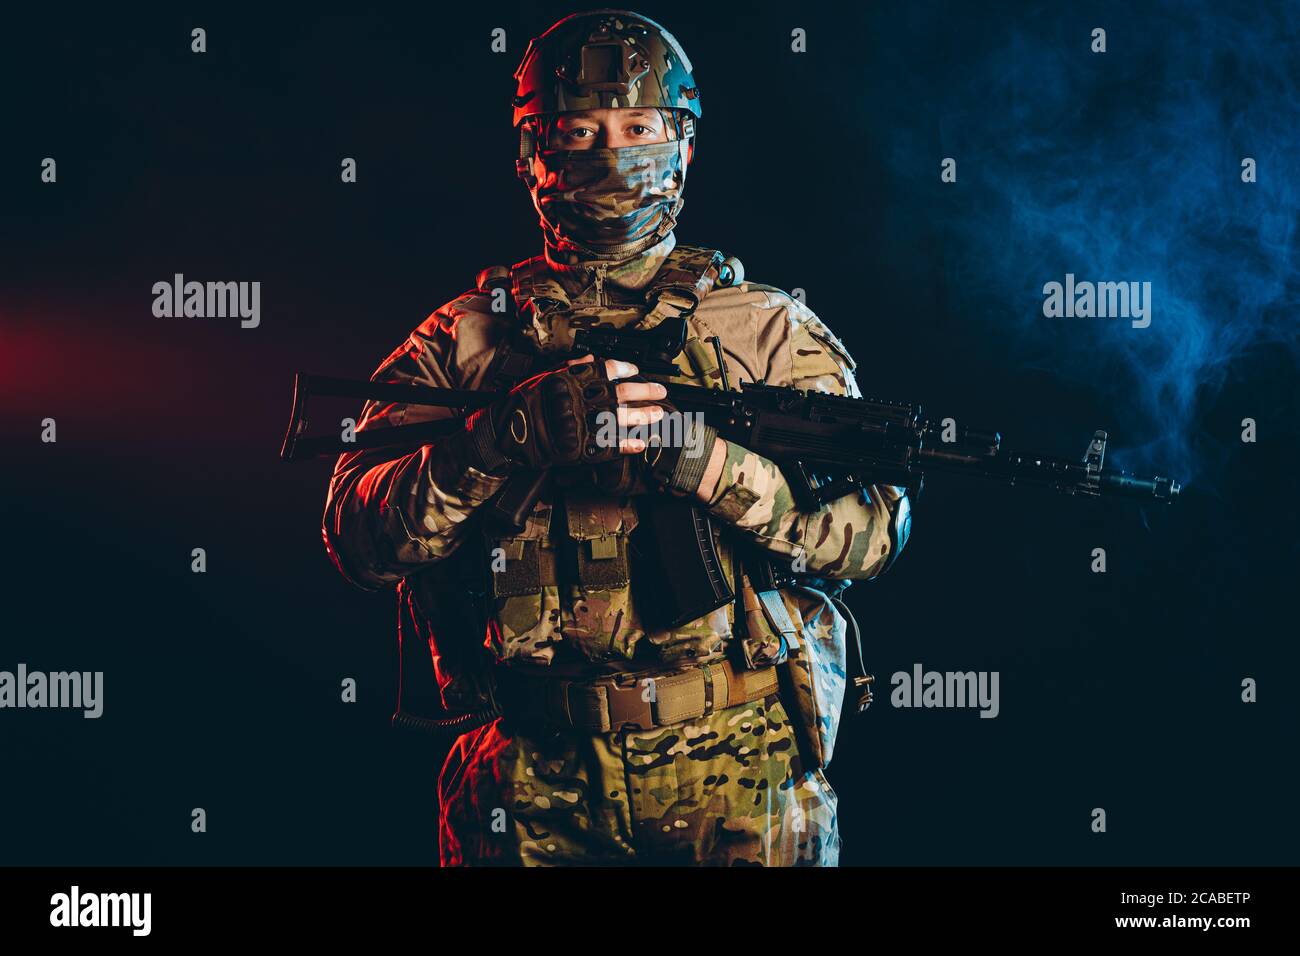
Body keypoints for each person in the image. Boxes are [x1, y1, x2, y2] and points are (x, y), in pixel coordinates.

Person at [322, 9, 910, 866]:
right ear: (533, 153)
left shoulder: (766, 331)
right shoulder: (464, 339)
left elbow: (869, 537)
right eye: (580, 130)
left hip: (739, 769)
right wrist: (496, 439)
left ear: (684, 144)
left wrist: (701, 460)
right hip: (529, 778)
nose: (610, 152)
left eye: (637, 127)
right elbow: (356, 540)